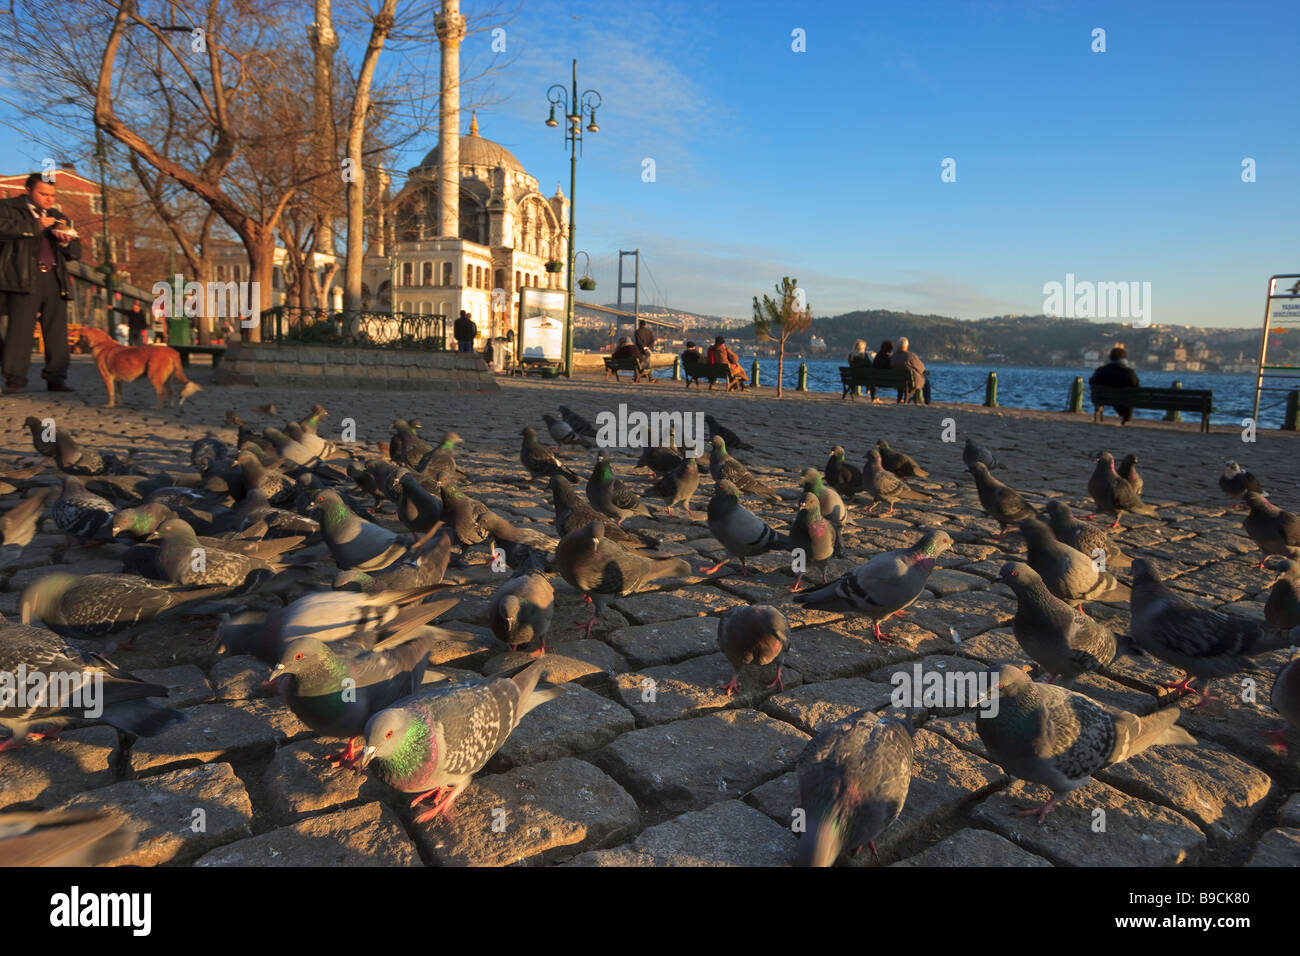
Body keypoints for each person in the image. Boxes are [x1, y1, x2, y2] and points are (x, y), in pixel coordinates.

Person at [0, 172, 82, 394]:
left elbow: (76, 252)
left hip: (55, 278)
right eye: (43, 193)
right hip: (22, 277)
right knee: (20, 331)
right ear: (28, 190)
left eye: (52, 195)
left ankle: (56, 378)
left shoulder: (57, 216)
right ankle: (15, 380)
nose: (49, 199)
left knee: (56, 332)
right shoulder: (7, 208)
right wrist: (34, 226)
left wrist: (66, 242)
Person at [1090, 345, 1140, 424]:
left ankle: (1122, 415)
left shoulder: (1101, 371)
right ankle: (1126, 417)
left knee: (1116, 397)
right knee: (1126, 397)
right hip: (1124, 399)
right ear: (1124, 359)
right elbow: (1135, 386)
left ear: (1110, 358)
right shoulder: (1128, 372)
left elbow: (1092, 382)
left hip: (1103, 398)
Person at [890, 336, 926, 403]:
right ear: (907, 346)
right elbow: (921, 368)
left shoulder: (893, 357)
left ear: (897, 346)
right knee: (925, 381)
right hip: (910, 382)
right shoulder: (910, 356)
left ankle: (902, 399)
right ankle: (924, 401)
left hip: (897, 381)